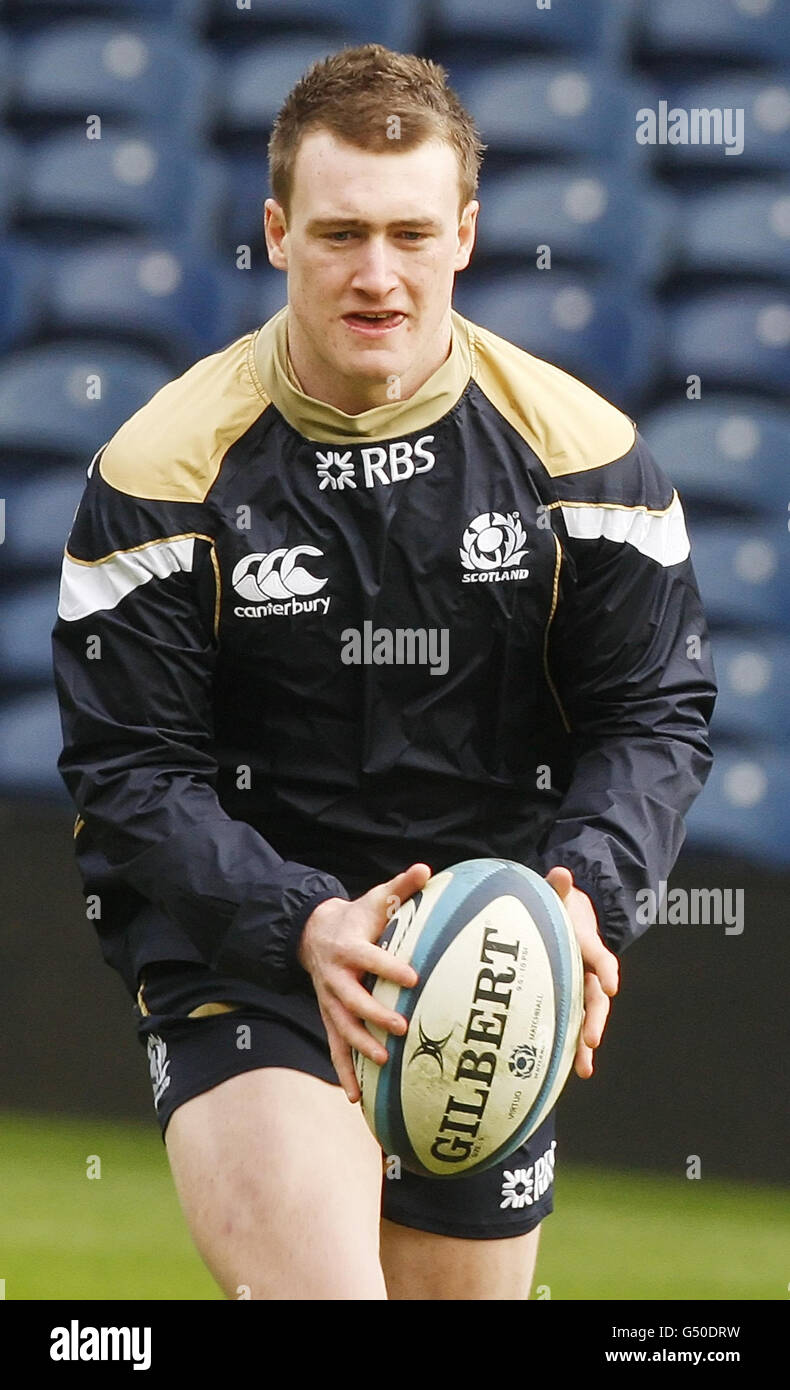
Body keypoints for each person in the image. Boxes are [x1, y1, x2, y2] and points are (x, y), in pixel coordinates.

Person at [52, 44, 716, 1301]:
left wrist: (581, 897)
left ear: (465, 233)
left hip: (480, 961)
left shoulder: (585, 463)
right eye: (340, 232)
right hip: (247, 956)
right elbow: (131, 773)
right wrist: (301, 921)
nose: (376, 276)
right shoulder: (159, 475)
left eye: (411, 234)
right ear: (274, 229)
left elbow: (654, 714)